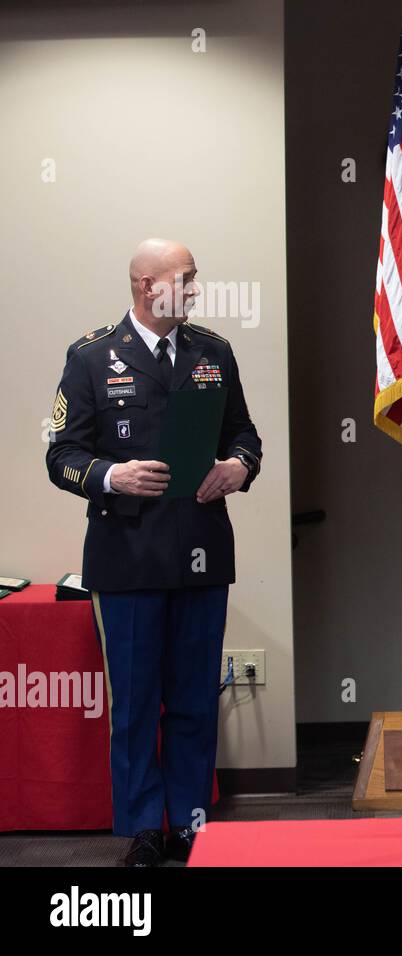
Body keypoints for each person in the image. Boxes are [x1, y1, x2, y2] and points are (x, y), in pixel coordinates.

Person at [45, 239, 262, 866]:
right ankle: (144, 828)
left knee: (194, 698)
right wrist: (113, 476)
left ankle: (193, 824)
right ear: (147, 286)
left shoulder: (212, 352)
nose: (195, 289)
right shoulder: (90, 358)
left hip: (200, 552)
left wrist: (238, 467)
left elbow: (244, 433)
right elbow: (61, 455)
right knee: (138, 703)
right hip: (127, 557)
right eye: (185, 278)